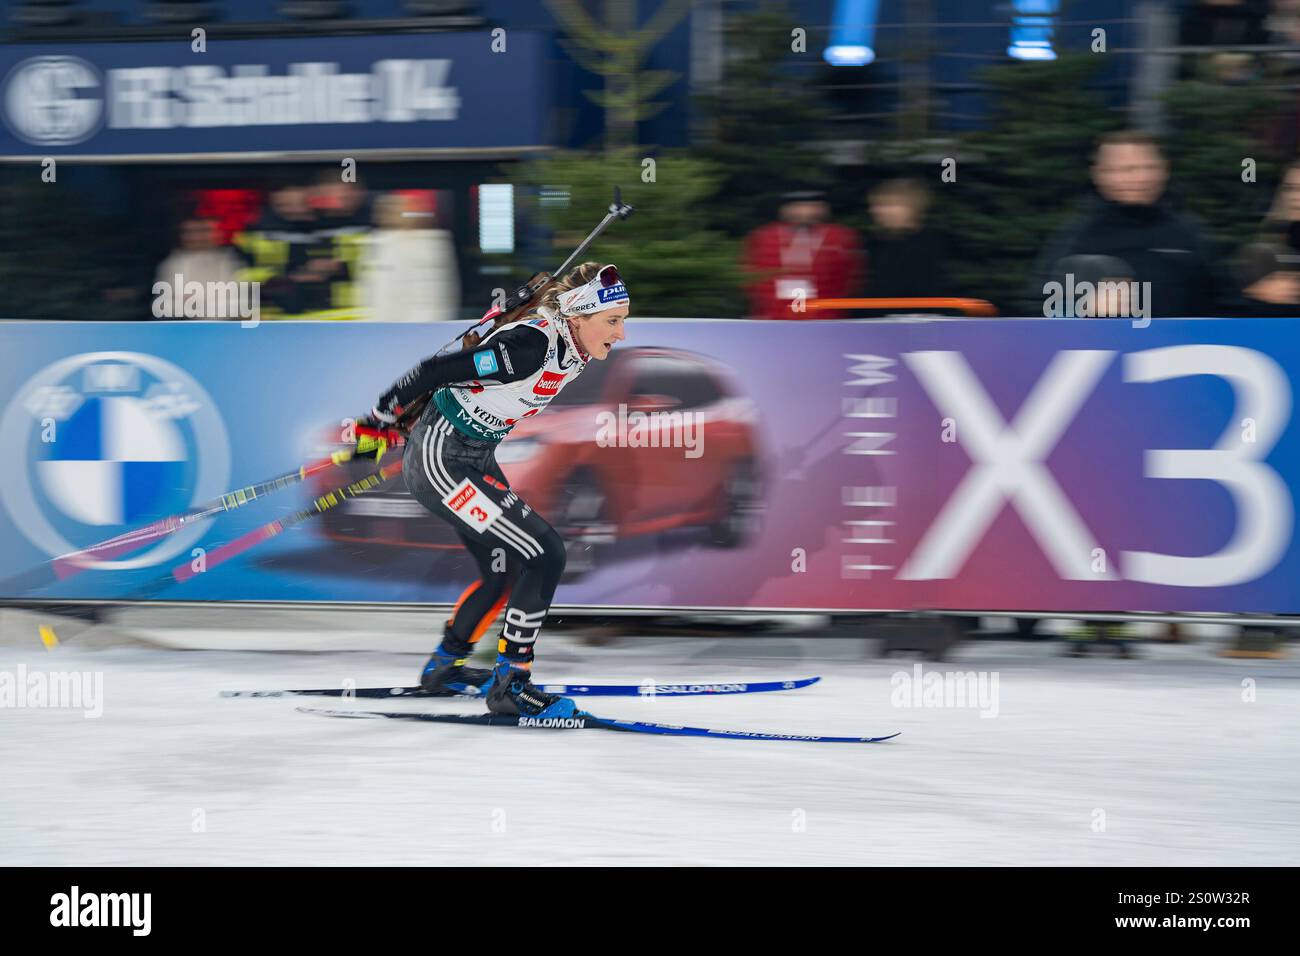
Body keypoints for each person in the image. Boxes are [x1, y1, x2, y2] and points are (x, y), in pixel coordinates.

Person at [350, 262, 629, 720]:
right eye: (613, 321)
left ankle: (445, 668)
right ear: (578, 317)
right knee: (545, 553)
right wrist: (379, 420)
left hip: (472, 454)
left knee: (507, 569)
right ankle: (511, 686)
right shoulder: (529, 346)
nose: (621, 335)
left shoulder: (569, 340)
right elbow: (434, 369)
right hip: (445, 460)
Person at [1027, 131, 1224, 318]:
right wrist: (1082, 308)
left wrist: (1255, 303)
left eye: (1148, 167)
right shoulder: (1076, 236)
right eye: (1123, 169)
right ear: (1099, 175)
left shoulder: (1190, 232)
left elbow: (1229, 306)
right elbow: (1038, 309)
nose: (1138, 178)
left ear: (1164, 170)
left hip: (1183, 351)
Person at [742, 190, 862, 319]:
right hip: (773, 313)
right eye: (798, 206)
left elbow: (851, 277)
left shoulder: (841, 237)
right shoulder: (763, 236)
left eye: (812, 206)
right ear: (785, 210)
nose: (805, 211)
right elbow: (752, 274)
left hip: (824, 314)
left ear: (823, 210)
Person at [863, 178, 953, 300]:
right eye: (875, 205)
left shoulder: (930, 245)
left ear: (911, 207)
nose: (876, 211)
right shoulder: (875, 244)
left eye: (888, 205)